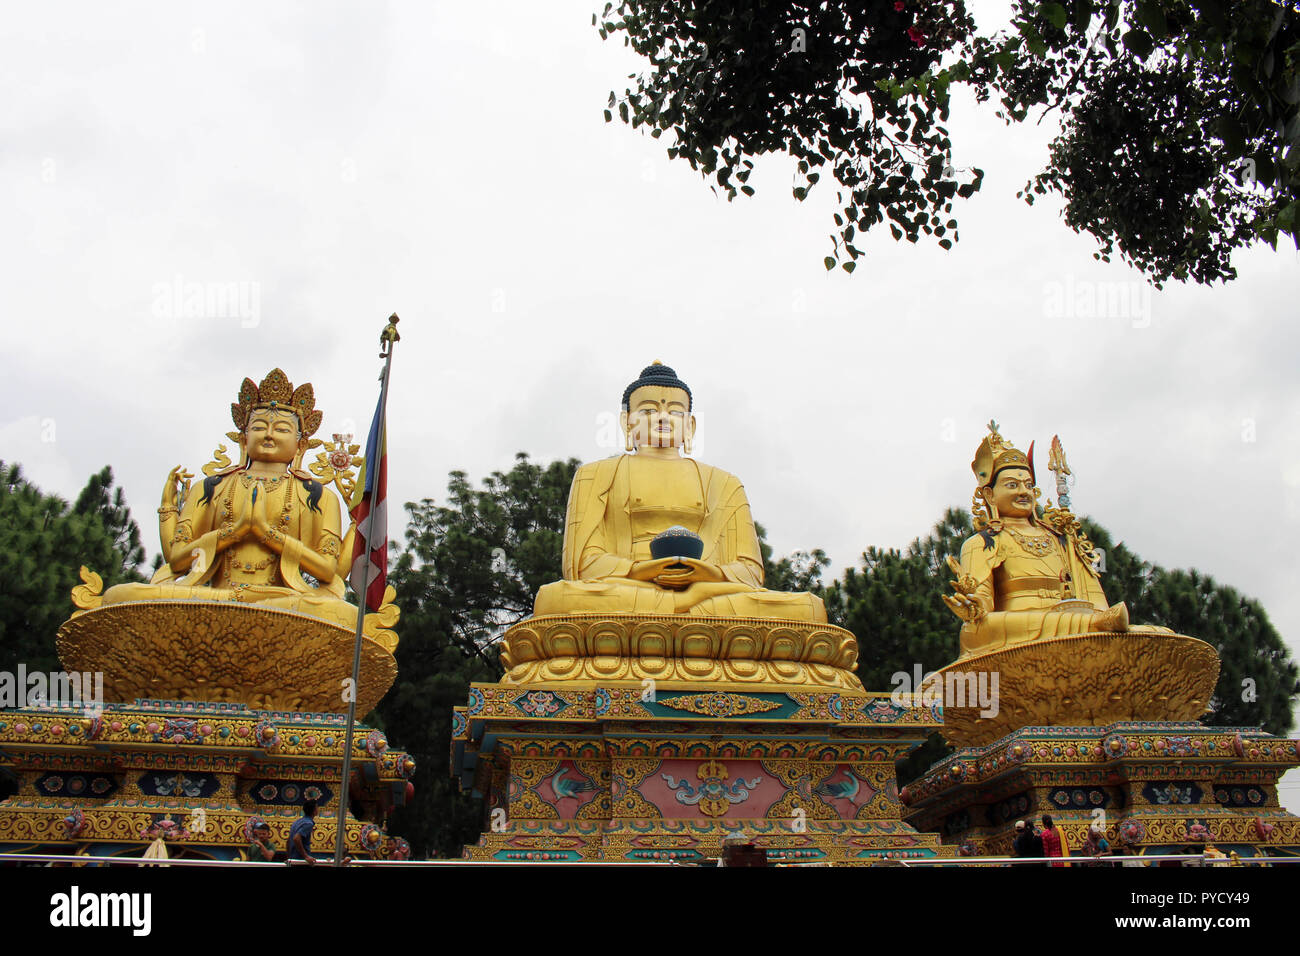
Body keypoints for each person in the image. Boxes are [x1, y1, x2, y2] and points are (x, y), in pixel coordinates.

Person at [533, 362, 825, 621]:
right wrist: (642, 570)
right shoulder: (595, 475)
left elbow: (749, 571)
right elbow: (583, 565)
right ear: (626, 422)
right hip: (630, 589)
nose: (662, 418)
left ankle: (682, 609)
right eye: (648, 410)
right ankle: (686, 610)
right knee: (554, 599)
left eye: (674, 411)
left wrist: (710, 574)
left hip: (709, 591)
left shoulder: (724, 482)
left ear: (690, 425)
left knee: (809, 608)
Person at [98, 369, 362, 631]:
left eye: (281, 429)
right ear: (244, 438)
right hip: (213, 599)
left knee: (339, 613)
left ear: (300, 445)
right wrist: (230, 531)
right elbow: (177, 560)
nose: (269, 435)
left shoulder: (317, 496)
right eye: (259, 427)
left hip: (282, 601)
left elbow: (328, 572)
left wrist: (265, 532)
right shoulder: (211, 487)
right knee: (120, 595)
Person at [942, 423, 1166, 659]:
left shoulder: (1062, 540)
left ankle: (1091, 629)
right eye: (1012, 485)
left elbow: (1100, 606)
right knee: (975, 629)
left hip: (1075, 618)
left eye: (1028, 485)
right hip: (1019, 629)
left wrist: (1095, 617)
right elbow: (982, 608)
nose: (1023, 492)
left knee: (1157, 632)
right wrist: (973, 605)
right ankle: (1086, 630)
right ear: (990, 495)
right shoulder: (981, 543)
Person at [287, 800, 319, 866]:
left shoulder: (296, 822)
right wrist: (306, 856)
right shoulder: (308, 824)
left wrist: (289, 857)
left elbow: (288, 841)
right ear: (314, 811)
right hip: (301, 861)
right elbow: (296, 838)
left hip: (293, 859)